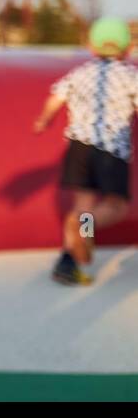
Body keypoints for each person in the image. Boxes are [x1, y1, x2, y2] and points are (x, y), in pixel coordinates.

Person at [33, 16, 137, 286]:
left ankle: (68, 263)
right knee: (116, 206)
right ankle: (83, 230)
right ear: (127, 49)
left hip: (79, 148)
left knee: (83, 206)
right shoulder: (130, 75)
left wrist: (43, 120)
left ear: (91, 47)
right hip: (110, 149)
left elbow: (55, 97)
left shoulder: (79, 73)